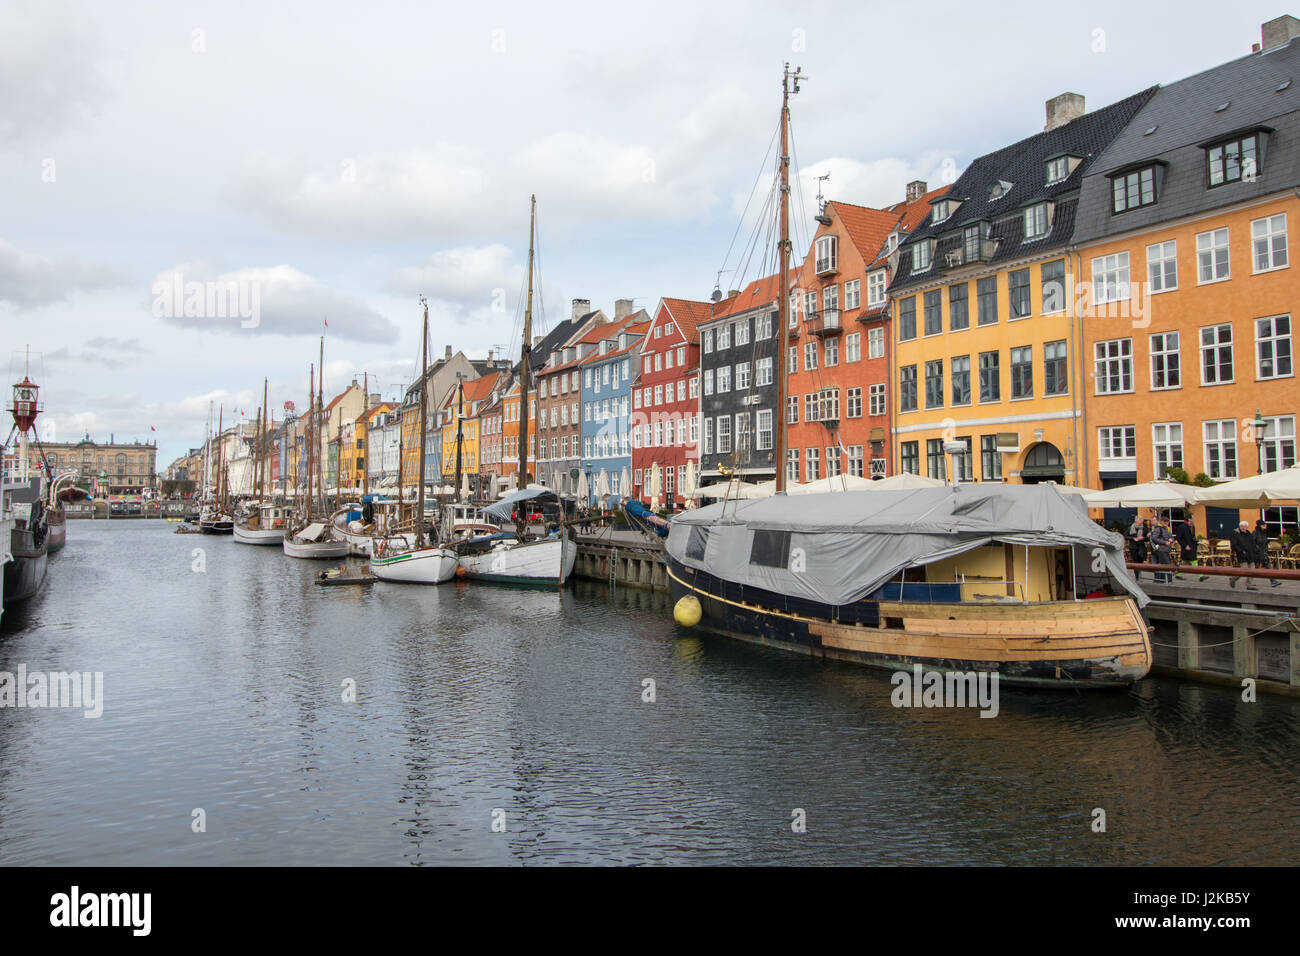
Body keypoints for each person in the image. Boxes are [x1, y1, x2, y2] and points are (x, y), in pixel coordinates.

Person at [1230, 520, 1259, 590]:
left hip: (1250, 554)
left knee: (1252, 570)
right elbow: (1234, 545)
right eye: (1242, 526)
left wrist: (1255, 550)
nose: (1243, 528)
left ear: (1247, 527)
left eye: (1245, 527)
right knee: (1244, 571)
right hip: (1242, 555)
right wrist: (1241, 551)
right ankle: (1233, 578)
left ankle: (1249, 585)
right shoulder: (1236, 533)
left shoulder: (1248, 533)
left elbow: (1252, 543)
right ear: (1239, 526)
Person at [1253, 518, 1282, 586]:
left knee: (1268, 566)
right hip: (1256, 554)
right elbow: (1253, 543)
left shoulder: (1264, 533)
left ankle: (1273, 581)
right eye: (1263, 525)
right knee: (1250, 568)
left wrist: (1265, 551)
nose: (1265, 526)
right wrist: (1258, 551)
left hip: (1263, 553)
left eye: (1265, 525)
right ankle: (1235, 577)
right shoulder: (1255, 533)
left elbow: (1265, 543)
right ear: (1260, 526)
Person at [1149, 517, 1174, 584]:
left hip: (1166, 549)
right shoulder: (1158, 528)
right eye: (1165, 521)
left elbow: (1171, 537)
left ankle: (1166, 580)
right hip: (1161, 549)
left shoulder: (1167, 529)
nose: (1166, 523)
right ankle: (1166, 580)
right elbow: (1154, 538)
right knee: (1166, 565)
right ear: (1161, 522)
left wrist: (1171, 540)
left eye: (1167, 521)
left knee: (1166, 565)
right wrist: (1164, 542)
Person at [1174, 516, 1198, 580]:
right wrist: (1185, 545)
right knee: (1194, 560)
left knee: (1185, 562)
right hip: (1186, 547)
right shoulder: (1182, 527)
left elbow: (1192, 536)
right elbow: (1178, 537)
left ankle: (1178, 574)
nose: (1194, 519)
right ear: (1189, 519)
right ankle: (1200, 575)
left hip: (1192, 546)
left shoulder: (1192, 526)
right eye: (1193, 518)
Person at [1127, 516, 1148, 580]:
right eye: (1140, 521)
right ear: (1136, 521)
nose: (1141, 522)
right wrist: (1133, 538)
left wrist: (1143, 538)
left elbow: (1147, 538)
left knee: (1140, 561)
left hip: (1141, 546)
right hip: (1133, 547)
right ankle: (1137, 577)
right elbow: (1125, 536)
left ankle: (1139, 574)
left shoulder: (1144, 528)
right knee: (1135, 562)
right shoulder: (1131, 528)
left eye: (1142, 521)